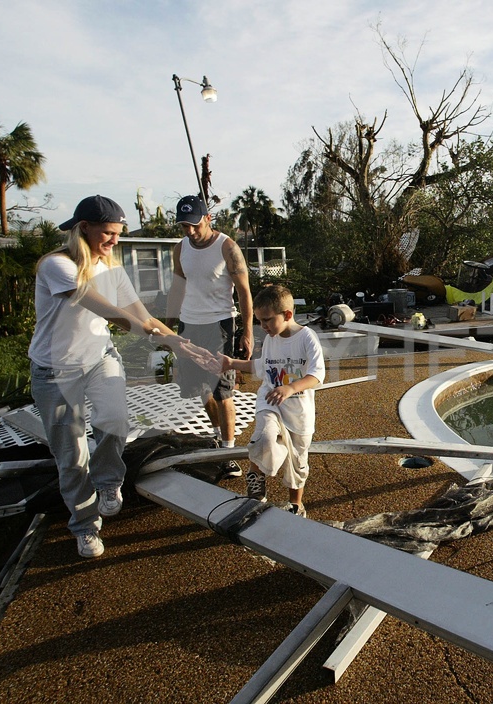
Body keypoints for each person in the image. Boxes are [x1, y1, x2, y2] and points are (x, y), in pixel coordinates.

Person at [30, 195, 213, 558]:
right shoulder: (56, 265)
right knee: (71, 455)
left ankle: (109, 481)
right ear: (84, 228)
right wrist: (160, 338)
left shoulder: (112, 267)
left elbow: (143, 316)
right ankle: (84, 526)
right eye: (109, 233)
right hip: (55, 371)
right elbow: (107, 311)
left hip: (99, 358)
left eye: (118, 234)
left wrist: (181, 344)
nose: (115, 241)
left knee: (114, 420)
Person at [215, 285, 324, 515]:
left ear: (287, 315)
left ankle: (296, 504)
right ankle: (256, 485)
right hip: (271, 402)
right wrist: (232, 363)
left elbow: (317, 375)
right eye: (259, 322)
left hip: (299, 411)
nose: (263, 327)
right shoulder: (271, 338)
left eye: (267, 321)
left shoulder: (307, 338)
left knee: (298, 462)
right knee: (263, 437)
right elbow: (261, 367)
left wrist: (290, 388)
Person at [166, 195, 253, 477]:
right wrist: (169, 329)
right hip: (188, 326)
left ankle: (228, 453)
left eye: (194, 225)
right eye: (184, 226)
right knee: (201, 389)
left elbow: (243, 292)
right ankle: (216, 434)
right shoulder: (180, 249)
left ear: (207, 218)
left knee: (222, 390)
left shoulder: (227, 247)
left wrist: (247, 331)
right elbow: (177, 289)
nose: (190, 231)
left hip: (219, 325)